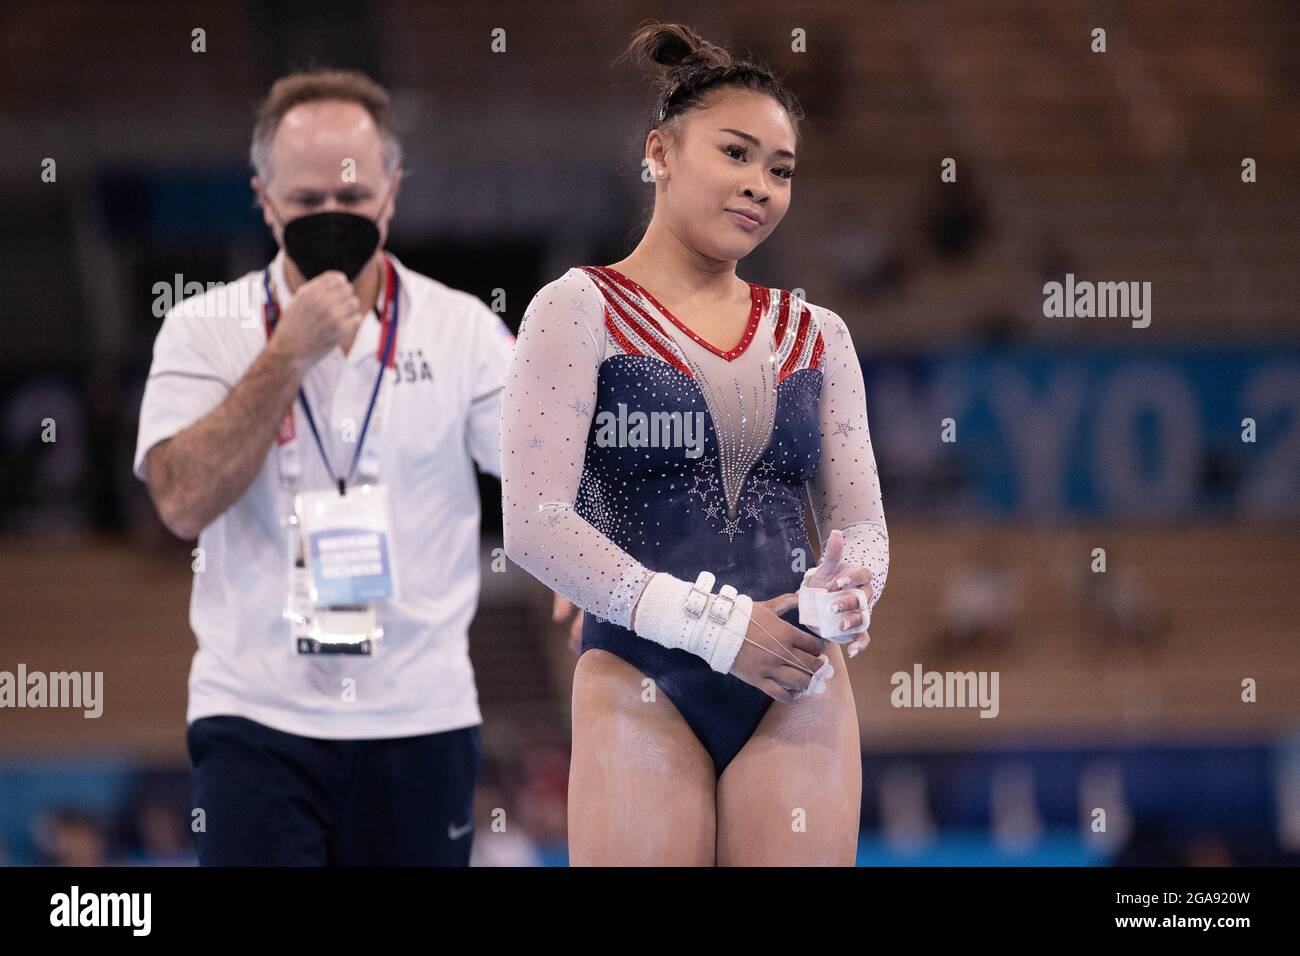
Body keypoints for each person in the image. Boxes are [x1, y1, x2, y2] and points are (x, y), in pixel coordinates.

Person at [502, 23, 889, 865]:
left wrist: (855, 584)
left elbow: (861, 523)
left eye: (780, 170)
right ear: (661, 152)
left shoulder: (817, 334)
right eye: (737, 153)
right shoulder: (578, 311)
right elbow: (533, 522)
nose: (760, 186)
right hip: (642, 674)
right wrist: (716, 628)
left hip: (796, 681)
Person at [134, 69, 514, 865]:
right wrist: (287, 354)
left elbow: (545, 480)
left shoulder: (463, 331)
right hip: (257, 716)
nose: (331, 218)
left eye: (352, 198)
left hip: (422, 716)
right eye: (306, 204)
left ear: (392, 192)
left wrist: (601, 589)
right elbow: (178, 502)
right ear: (264, 199)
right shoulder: (204, 328)